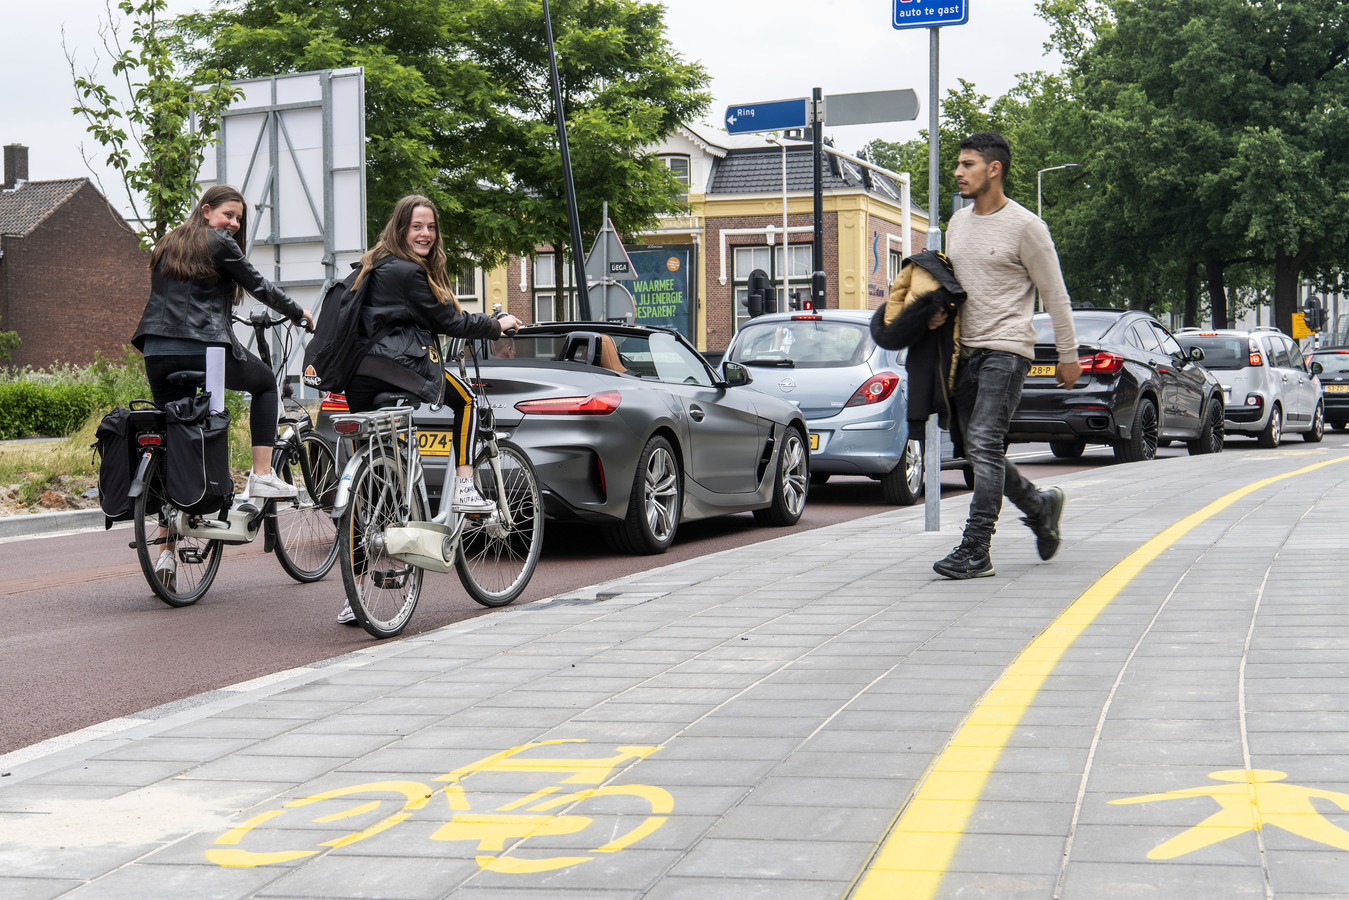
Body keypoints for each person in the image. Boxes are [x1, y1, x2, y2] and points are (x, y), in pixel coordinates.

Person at [133, 185, 314, 586]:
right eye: (228, 215)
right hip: (204, 350)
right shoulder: (217, 242)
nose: (233, 224)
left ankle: (165, 552)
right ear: (207, 210)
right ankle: (263, 474)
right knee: (265, 384)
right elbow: (259, 285)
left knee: (174, 438)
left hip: (155, 351)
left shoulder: (168, 242)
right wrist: (298, 311)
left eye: (238, 219)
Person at [931, 132, 1081, 579]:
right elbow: (955, 287)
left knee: (984, 443)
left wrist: (1068, 355)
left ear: (993, 169)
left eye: (967, 164)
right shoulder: (958, 223)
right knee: (976, 451)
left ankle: (976, 548)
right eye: (958, 164)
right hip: (964, 352)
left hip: (1006, 349)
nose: (958, 172)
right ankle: (1039, 506)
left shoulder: (1026, 226)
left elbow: (1056, 296)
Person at [343, 194, 521, 513]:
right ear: (400, 229)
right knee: (466, 400)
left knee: (371, 470)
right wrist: (495, 325)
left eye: (431, 227)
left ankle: (361, 539)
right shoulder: (408, 271)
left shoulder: (370, 264)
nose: (425, 233)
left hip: (357, 375)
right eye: (416, 226)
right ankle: (465, 488)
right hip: (394, 368)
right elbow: (449, 321)